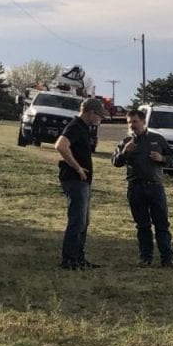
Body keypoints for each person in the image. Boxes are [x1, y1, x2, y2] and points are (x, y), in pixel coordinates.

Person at [113, 108, 173, 268]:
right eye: (129, 122)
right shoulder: (126, 142)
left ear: (143, 122)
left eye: (135, 122)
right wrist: (124, 152)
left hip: (155, 187)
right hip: (135, 188)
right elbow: (115, 162)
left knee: (162, 224)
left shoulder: (157, 139)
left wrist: (162, 158)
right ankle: (145, 258)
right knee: (142, 225)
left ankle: (167, 259)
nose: (132, 125)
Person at [55, 97, 106, 270]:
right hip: (75, 180)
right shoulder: (75, 126)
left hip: (83, 182)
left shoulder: (84, 128)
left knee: (84, 221)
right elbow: (61, 146)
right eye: (99, 116)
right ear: (91, 112)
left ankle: (78, 258)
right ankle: (69, 260)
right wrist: (77, 168)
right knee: (77, 221)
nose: (100, 119)